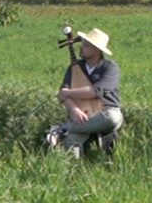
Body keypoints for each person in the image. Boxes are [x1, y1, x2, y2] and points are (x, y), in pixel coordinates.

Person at [47, 27, 123, 157]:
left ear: (97, 50)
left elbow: (94, 92)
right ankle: (72, 172)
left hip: (106, 112)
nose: (81, 48)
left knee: (113, 117)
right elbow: (62, 94)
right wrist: (74, 110)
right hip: (82, 114)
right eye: (82, 44)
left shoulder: (110, 67)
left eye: (86, 45)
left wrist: (68, 93)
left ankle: (61, 129)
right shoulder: (75, 67)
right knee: (71, 139)